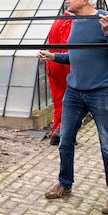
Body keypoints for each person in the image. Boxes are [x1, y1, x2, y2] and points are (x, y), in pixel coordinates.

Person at [38, 0, 108, 215]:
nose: (67, 0)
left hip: (101, 92)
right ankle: (64, 183)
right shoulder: (76, 23)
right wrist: (53, 56)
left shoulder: (105, 20)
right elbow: (76, 56)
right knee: (65, 140)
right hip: (74, 92)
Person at [44, 11, 73, 145]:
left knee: (58, 100)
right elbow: (66, 45)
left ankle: (56, 131)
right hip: (61, 63)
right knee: (69, 100)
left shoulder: (57, 20)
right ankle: (62, 131)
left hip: (51, 61)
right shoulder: (69, 22)